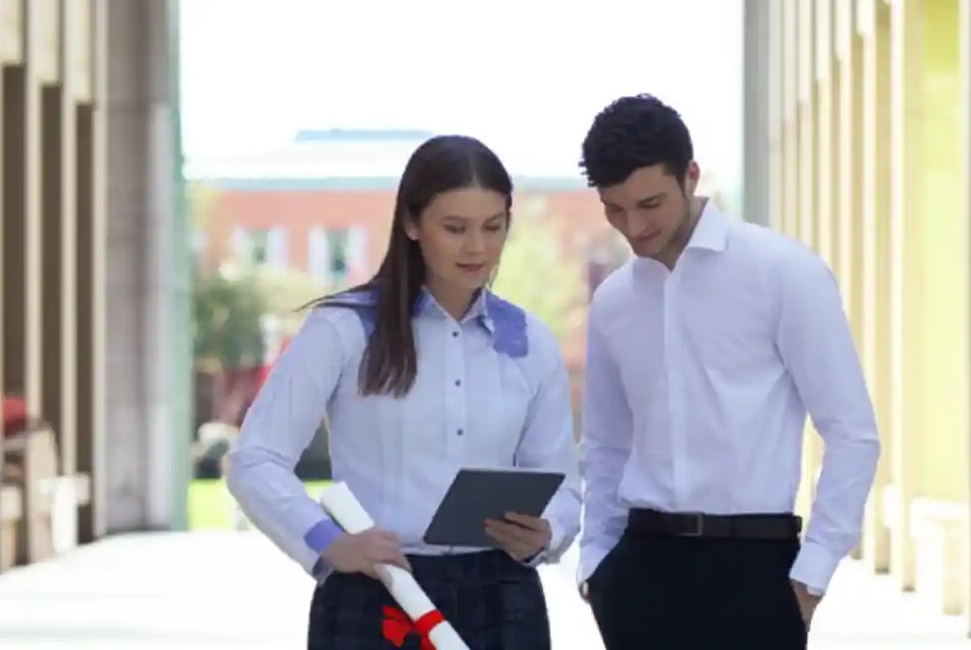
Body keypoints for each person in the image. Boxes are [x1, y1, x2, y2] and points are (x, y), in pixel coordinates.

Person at [226, 134, 582, 650]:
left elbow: (563, 485)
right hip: (379, 590)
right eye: (455, 228)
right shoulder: (343, 329)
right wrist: (329, 542)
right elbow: (255, 459)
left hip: (504, 598)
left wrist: (548, 532)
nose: (477, 247)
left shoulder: (531, 341)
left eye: (493, 226)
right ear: (412, 224)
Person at [575, 94, 881, 648]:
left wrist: (811, 576)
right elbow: (606, 446)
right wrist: (597, 565)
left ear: (690, 176)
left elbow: (852, 433)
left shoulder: (784, 273)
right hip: (638, 575)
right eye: (614, 209)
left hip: (755, 572)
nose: (633, 226)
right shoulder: (614, 302)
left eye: (649, 203)